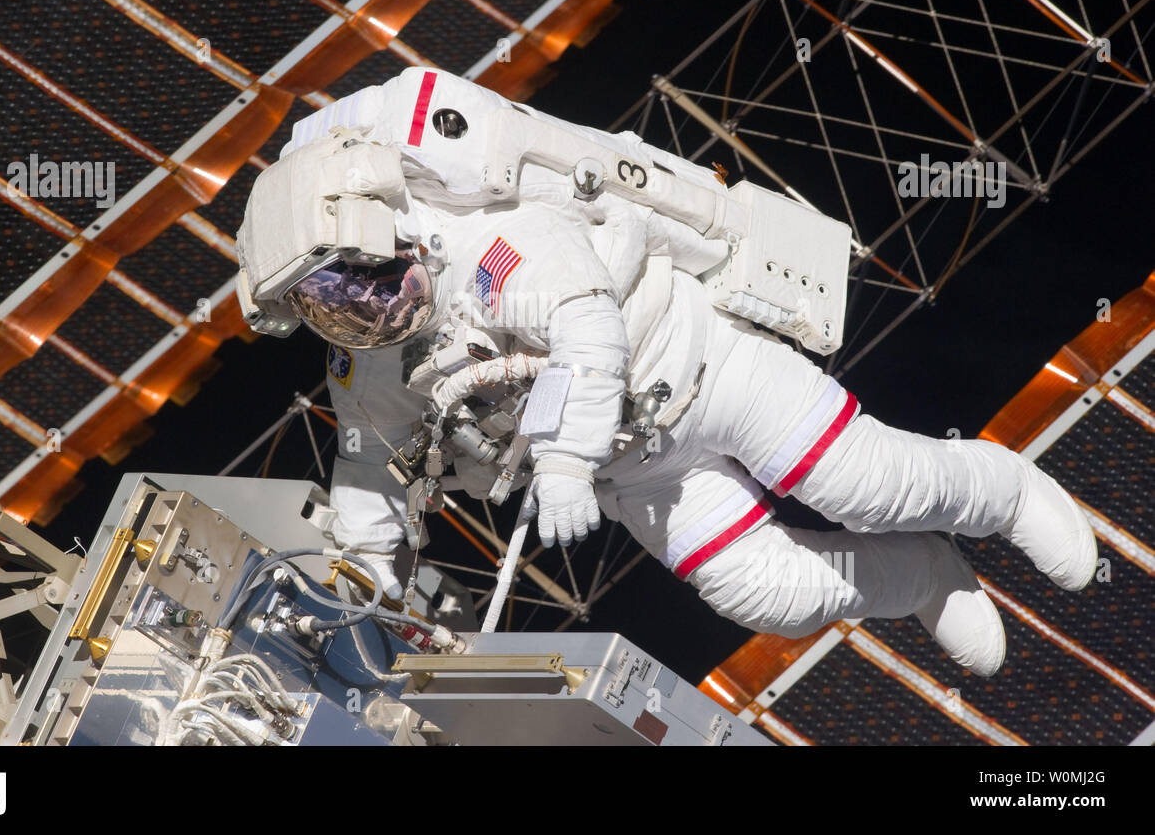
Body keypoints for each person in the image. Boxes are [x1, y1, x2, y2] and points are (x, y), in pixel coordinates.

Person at [237, 71, 1096, 678]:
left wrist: (563, 463)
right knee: (770, 596)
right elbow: (368, 462)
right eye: (332, 308)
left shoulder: (491, 248)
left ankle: (1005, 492)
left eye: (366, 285)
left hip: (708, 372)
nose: (365, 313)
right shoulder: (373, 356)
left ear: (390, 234)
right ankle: (924, 578)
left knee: (867, 488)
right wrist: (367, 572)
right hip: (639, 468)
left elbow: (585, 325)